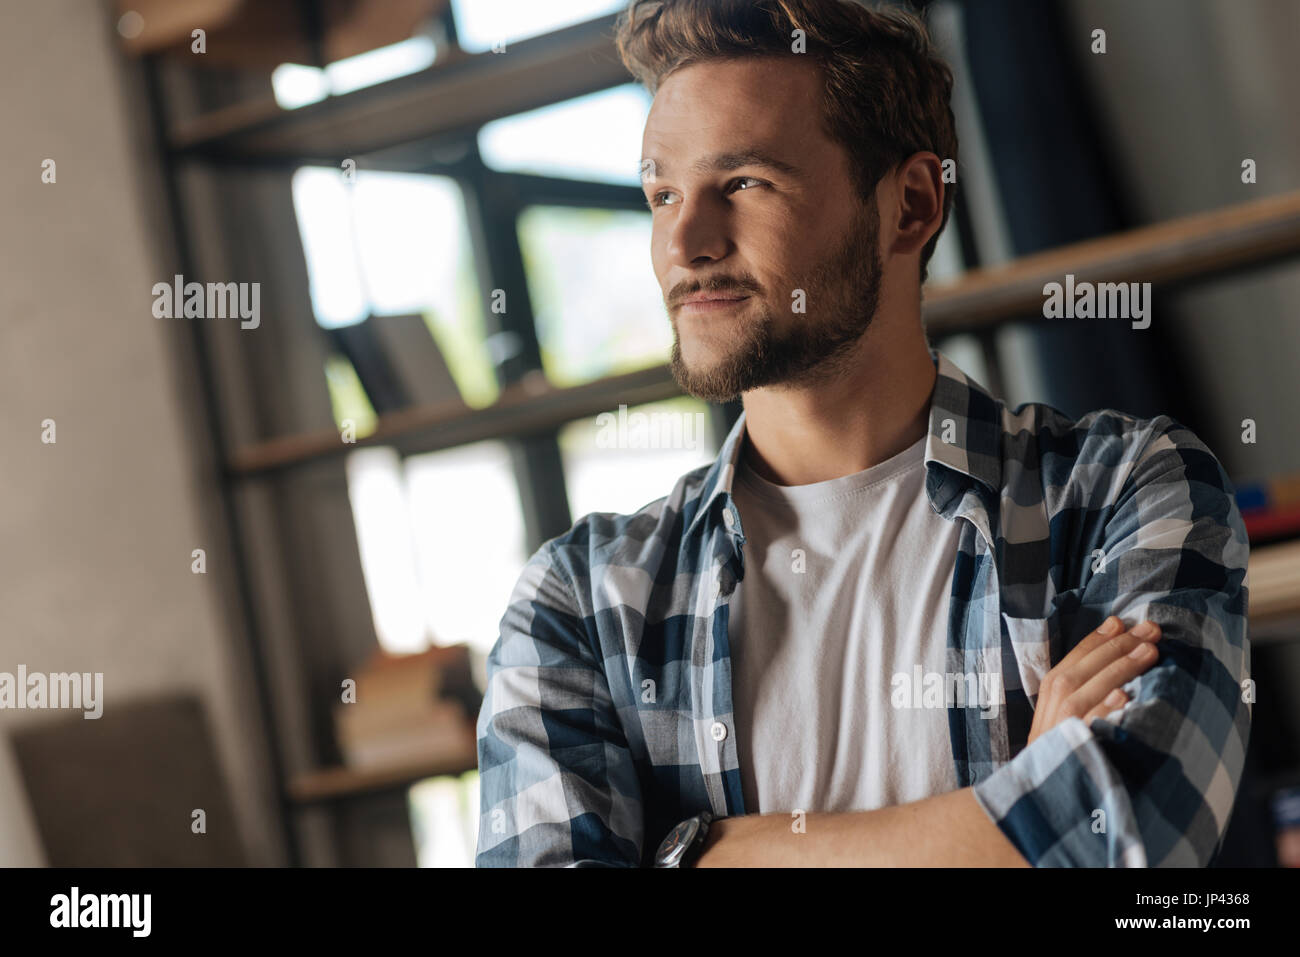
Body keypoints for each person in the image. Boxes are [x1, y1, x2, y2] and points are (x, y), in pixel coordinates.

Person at [475, 0, 1250, 867]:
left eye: (743, 183)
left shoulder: (1122, 489)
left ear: (910, 206)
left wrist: (706, 854)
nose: (683, 243)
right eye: (662, 195)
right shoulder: (582, 601)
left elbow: (1132, 827)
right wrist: (1026, 794)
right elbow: (1067, 828)